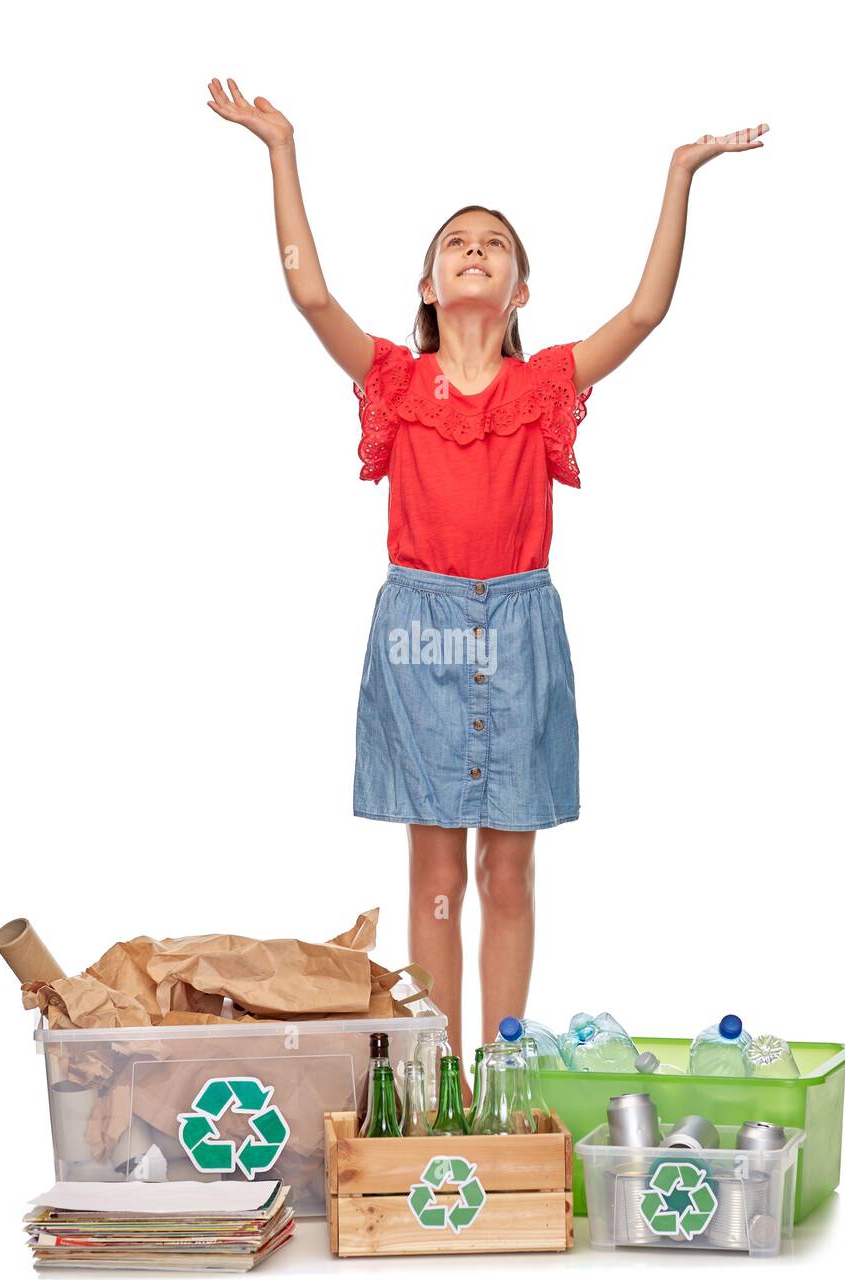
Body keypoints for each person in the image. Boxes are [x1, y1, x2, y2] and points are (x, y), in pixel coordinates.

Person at [207, 77, 768, 1099]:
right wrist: (279, 148)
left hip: (518, 625)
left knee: (509, 869)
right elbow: (309, 294)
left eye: (494, 246)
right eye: (455, 242)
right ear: (428, 285)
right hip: (421, 626)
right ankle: (437, 1080)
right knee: (434, 878)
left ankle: (503, 1071)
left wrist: (681, 173)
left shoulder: (544, 383)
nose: (474, 249)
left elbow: (646, 310)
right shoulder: (392, 380)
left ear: (518, 294)